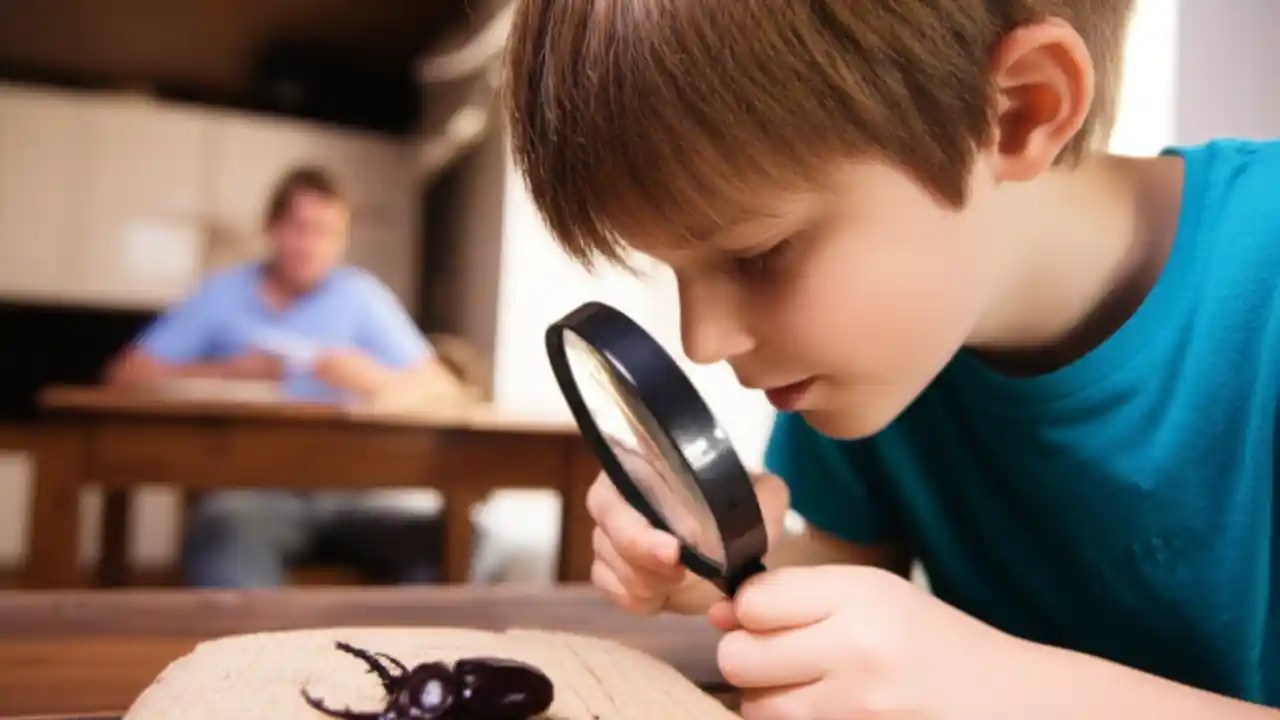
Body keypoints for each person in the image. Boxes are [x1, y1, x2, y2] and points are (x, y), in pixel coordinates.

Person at [504, 1, 1280, 718]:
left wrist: (1010, 693)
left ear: (1018, 110)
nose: (702, 342)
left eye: (759, 253)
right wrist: (719, 565)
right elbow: (855, 566)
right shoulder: (888, 360)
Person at [107, 166, 468, 587]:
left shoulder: (361, 296)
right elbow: (126, 375)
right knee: (225, 529)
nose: (311, 246)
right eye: (300, 228)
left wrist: (374, 380)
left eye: (327, 233)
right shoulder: (223, 294)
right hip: (255, 492)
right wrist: (229, 372)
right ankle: (255, 651)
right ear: (271, 228)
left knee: (449, 541)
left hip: (359, 490)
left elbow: (447, 391)